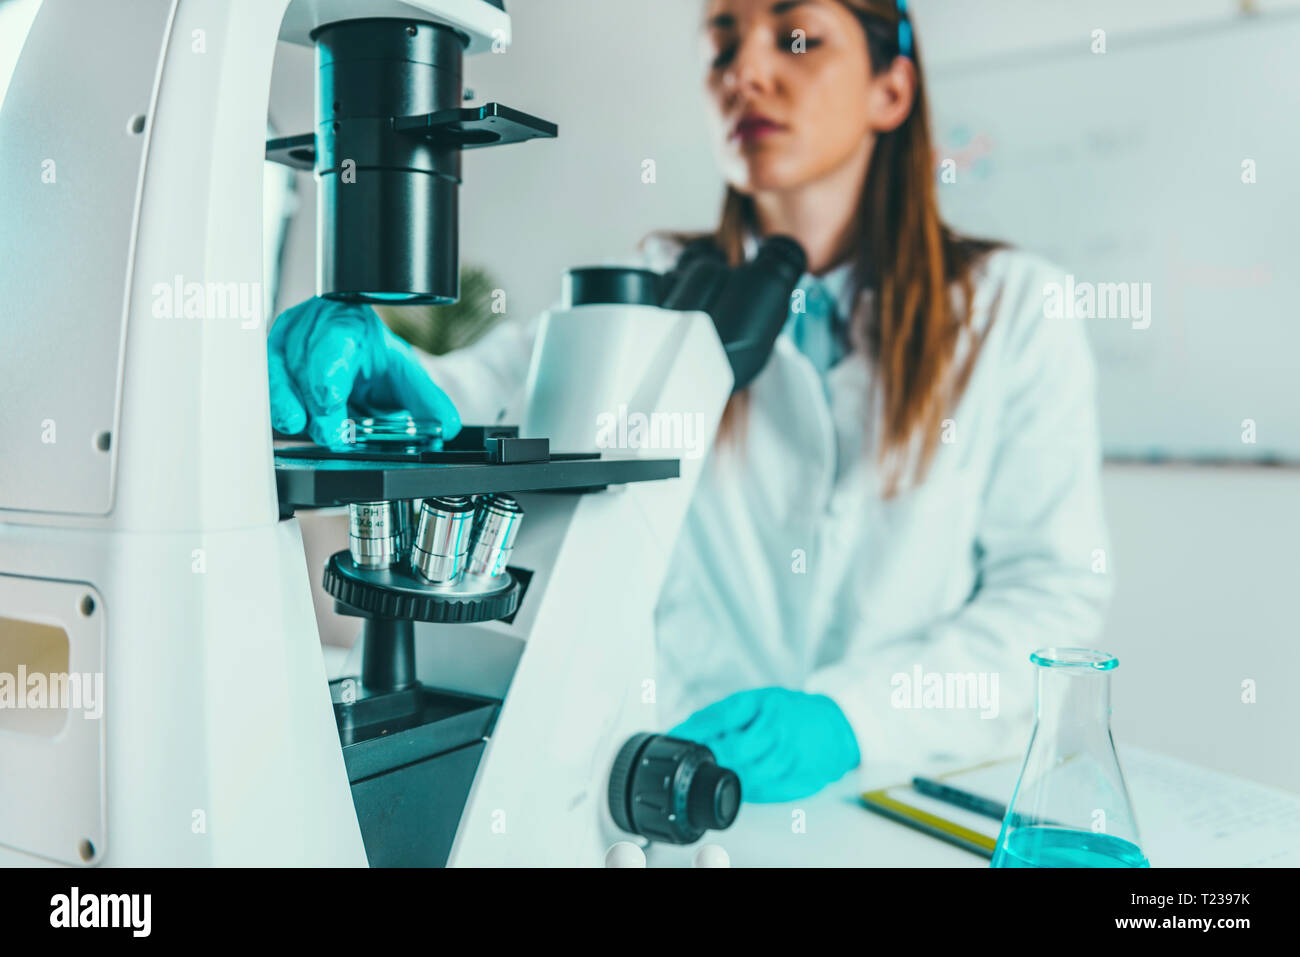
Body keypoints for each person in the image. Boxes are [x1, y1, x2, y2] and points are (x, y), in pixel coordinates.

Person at [268, 0, 1112, 803]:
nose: (745, 72)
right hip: (665, 777)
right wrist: (367, 364)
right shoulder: (654, 293)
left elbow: (1050, 597)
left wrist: (855, 720)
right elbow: (471, 403)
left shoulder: (1013, 310)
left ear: (891, 88)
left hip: (890, 792)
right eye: (722, 43)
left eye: (795, 39)